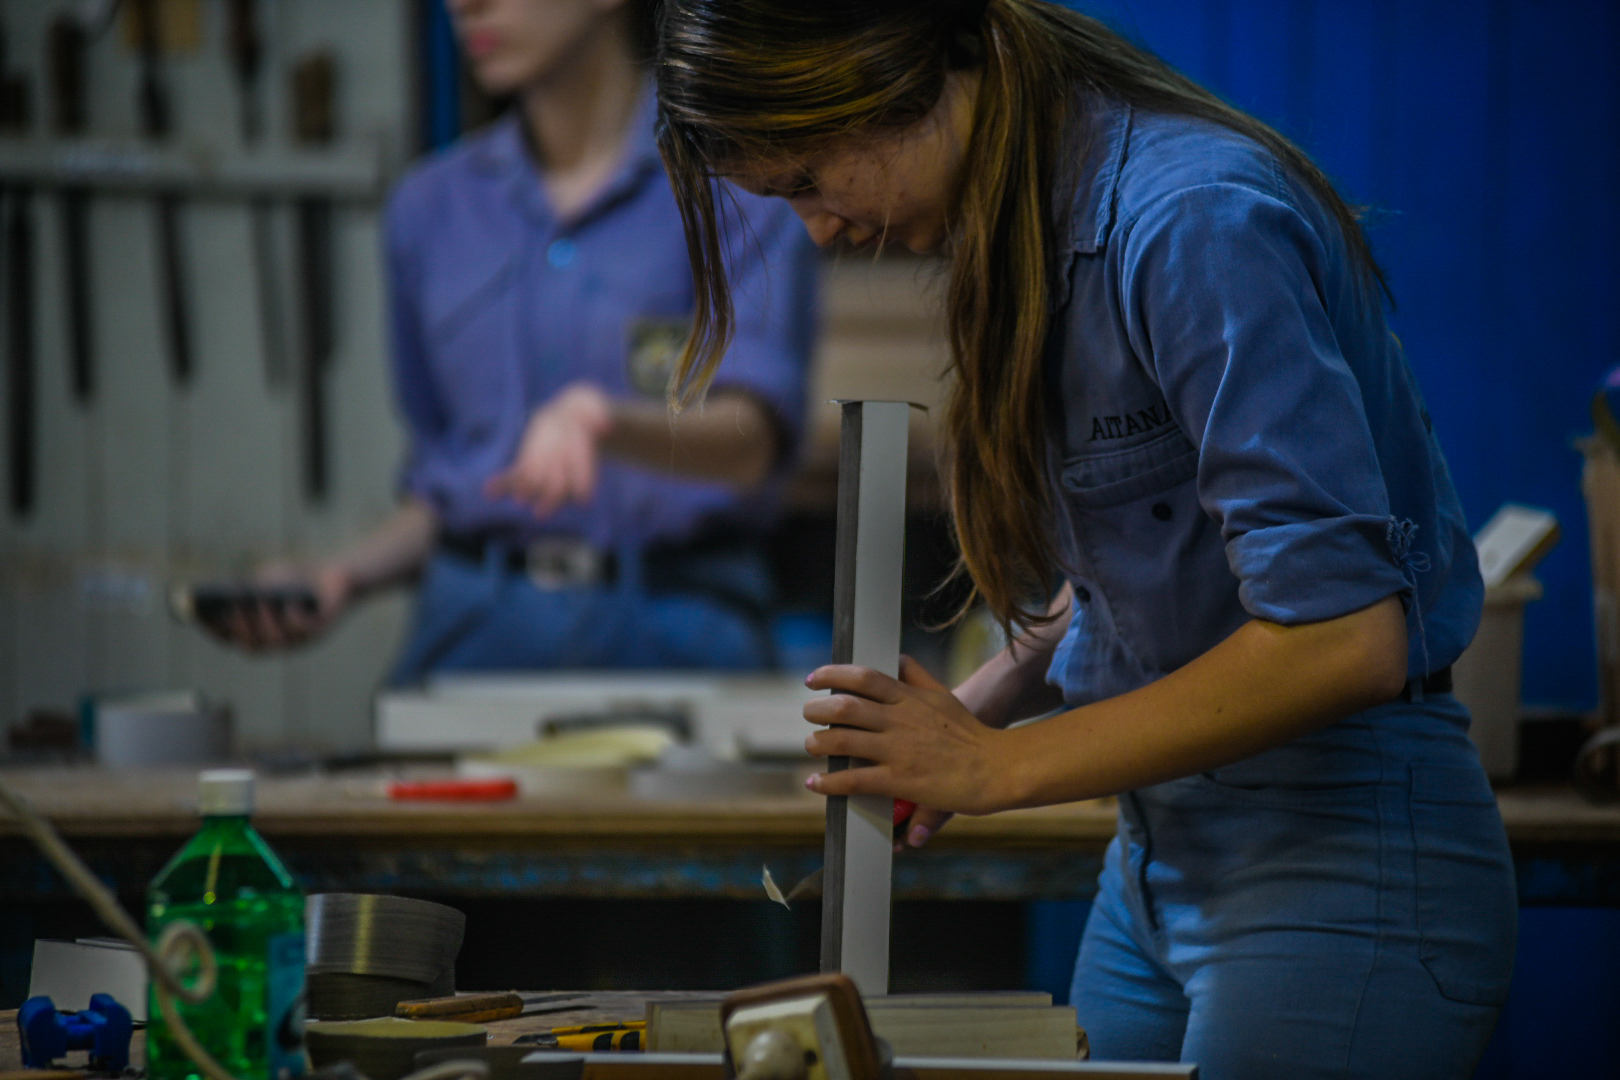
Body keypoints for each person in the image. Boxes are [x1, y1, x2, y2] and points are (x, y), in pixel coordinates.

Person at [653, 1, 1514, 1077]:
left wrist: (995, 766)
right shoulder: (1038, 221)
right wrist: (986, 700)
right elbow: (1155, 549)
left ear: (888, 81)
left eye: (808, 181)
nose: (820, 230)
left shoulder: (1192, 223)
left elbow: (1343, 638)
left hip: (1339, 852)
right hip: (1158, 850)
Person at [211, 0, 818, 680]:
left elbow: (751, 443)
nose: (465, 5)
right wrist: (341, 575)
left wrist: (604, 421)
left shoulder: (736, 185)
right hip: (477, 627)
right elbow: (453, 484)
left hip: (681, 623)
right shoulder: (430, 209)